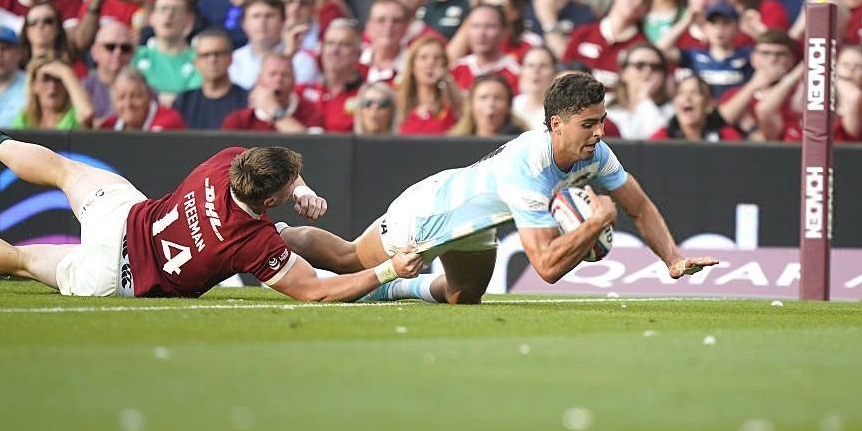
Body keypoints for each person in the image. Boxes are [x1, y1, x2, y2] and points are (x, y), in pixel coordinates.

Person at [0, 109, 422, 301]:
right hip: (120, 280)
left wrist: (296, 188)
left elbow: (272, 171)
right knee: (18, 259)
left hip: (124, 218)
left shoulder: (224, 162)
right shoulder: (253, 242)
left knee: (62, 170)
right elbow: (318, 292)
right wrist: (386, 269)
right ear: (270, 199)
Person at [280, 73, 720, 304]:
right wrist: (598, 222)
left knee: (462, 298)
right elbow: (546, 267)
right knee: (344, 259)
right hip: (429, 214)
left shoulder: (595, 152)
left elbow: (640, 208)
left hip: (476, 228)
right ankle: (276, 237)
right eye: (589, 124)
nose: (600, 132)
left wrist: (673, 259)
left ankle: (392, 288)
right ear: (556, 125)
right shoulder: (527, 166)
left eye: (601, 121)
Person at [172, 28, 249, 129]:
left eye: (219, 54)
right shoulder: (183, 101)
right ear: (196, 62)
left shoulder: (247, 100)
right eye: (205, 55)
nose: (212, 60)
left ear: (231, 58)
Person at [12, 55, 94, 130]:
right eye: (46, 79)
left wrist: (65, 72)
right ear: (34, 85)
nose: (52, 86)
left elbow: (86, 114)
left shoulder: (73, 116)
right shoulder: (24, 119)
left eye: (58, 80)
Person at [99, 67, 187, 131]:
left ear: (149, 95)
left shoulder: (169, 120)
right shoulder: (108, 127)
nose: (128, 104)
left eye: (135, 96)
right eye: (121, 98)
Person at [448, 73, 526, 137]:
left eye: (498, 98)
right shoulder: (455, 141)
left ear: (508, 105)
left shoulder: (523, 141)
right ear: (471, 104)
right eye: (483, 98)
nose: (491, 103)